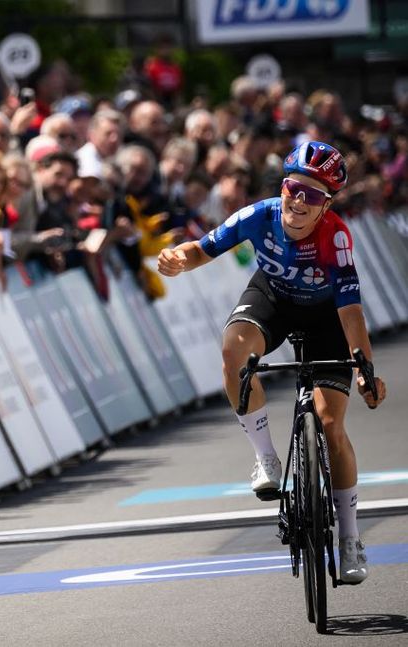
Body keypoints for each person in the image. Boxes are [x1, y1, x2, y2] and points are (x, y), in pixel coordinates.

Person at [156, 141, 387, 585]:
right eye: (293, 188)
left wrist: (365, 369)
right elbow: (202, 249)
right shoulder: (258, 215)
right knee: (233, 351)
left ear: (327, 206)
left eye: (313, 196)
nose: (299, 202)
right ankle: (266, 459)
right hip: (274, 300)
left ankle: (351, 538)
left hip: (326, 320)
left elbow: (351, 311)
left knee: (331, 424)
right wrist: (177, 260)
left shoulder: (336, 237)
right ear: (282, 187)